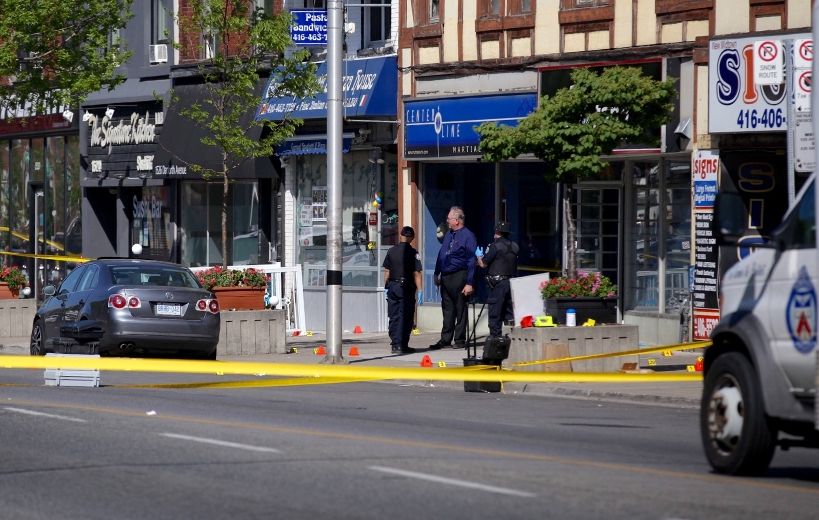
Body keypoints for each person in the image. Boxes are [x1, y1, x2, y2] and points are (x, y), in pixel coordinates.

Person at [430, 206, 477, 350]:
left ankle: (459, 339)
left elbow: (471, 260)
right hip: (446, 276)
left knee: (460, 309)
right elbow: (442, 254)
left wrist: (469, 282)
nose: (447, 221)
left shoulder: (468, 236)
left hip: (459, 275)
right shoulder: (449, 234)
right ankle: (445, 339)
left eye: (449, 219)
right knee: (447, 309)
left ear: (457, 220)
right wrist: (437, 273)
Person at [383, 226, 423, 354]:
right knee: (405, 316)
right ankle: (401, 345)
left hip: (392, 287)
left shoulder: (391, 251)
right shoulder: (413, 253)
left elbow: (387, 271)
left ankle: (395, 344)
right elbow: (416, 273)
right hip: (406, 288)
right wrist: (420, 290)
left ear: (400, 235)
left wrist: (386, 286)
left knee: (394, 315)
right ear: (412, 238)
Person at [477, 221, 519, 338]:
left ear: (497, 232)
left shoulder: (494, 246)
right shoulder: (515, 246)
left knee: (495, 312)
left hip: (498, 284)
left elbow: (483, 264)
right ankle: (514, 337)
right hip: (511, 283)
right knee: (510, 314)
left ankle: (495, 340)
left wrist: (479, 256)